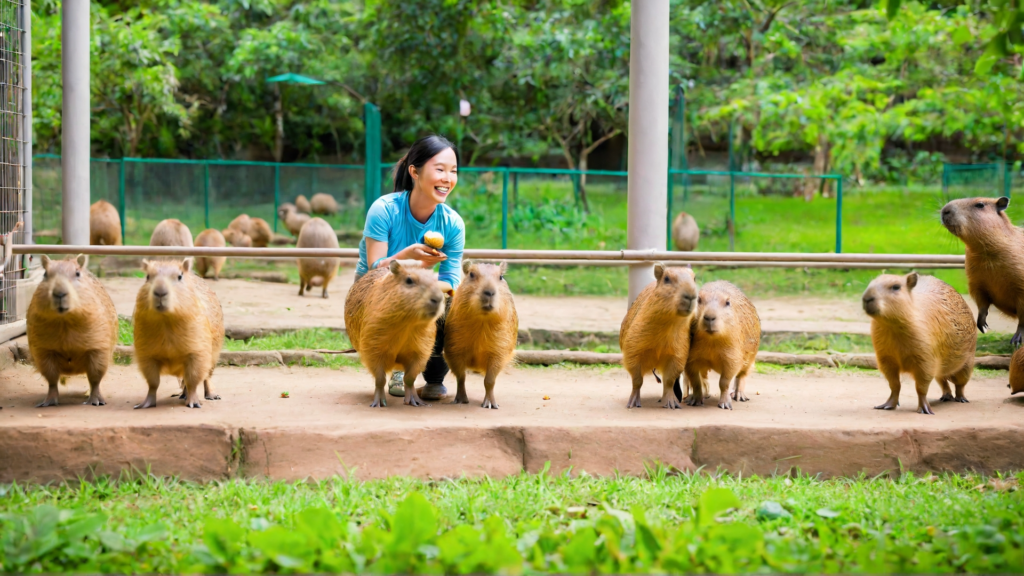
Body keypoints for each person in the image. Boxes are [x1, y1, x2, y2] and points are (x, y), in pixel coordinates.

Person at [355, 135, 465, 400]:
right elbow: (374, 271)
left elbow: (452, 278)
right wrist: (410, 259)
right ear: (414, 171)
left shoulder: (452, 224)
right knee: (404, 300)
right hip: (376, 295)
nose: (447, 178)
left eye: (453, 171)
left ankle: (435, 377)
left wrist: (428, 287)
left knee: (448, 304)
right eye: (439, 169)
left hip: (420, 291)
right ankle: (394, 368)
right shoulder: (383, 210)